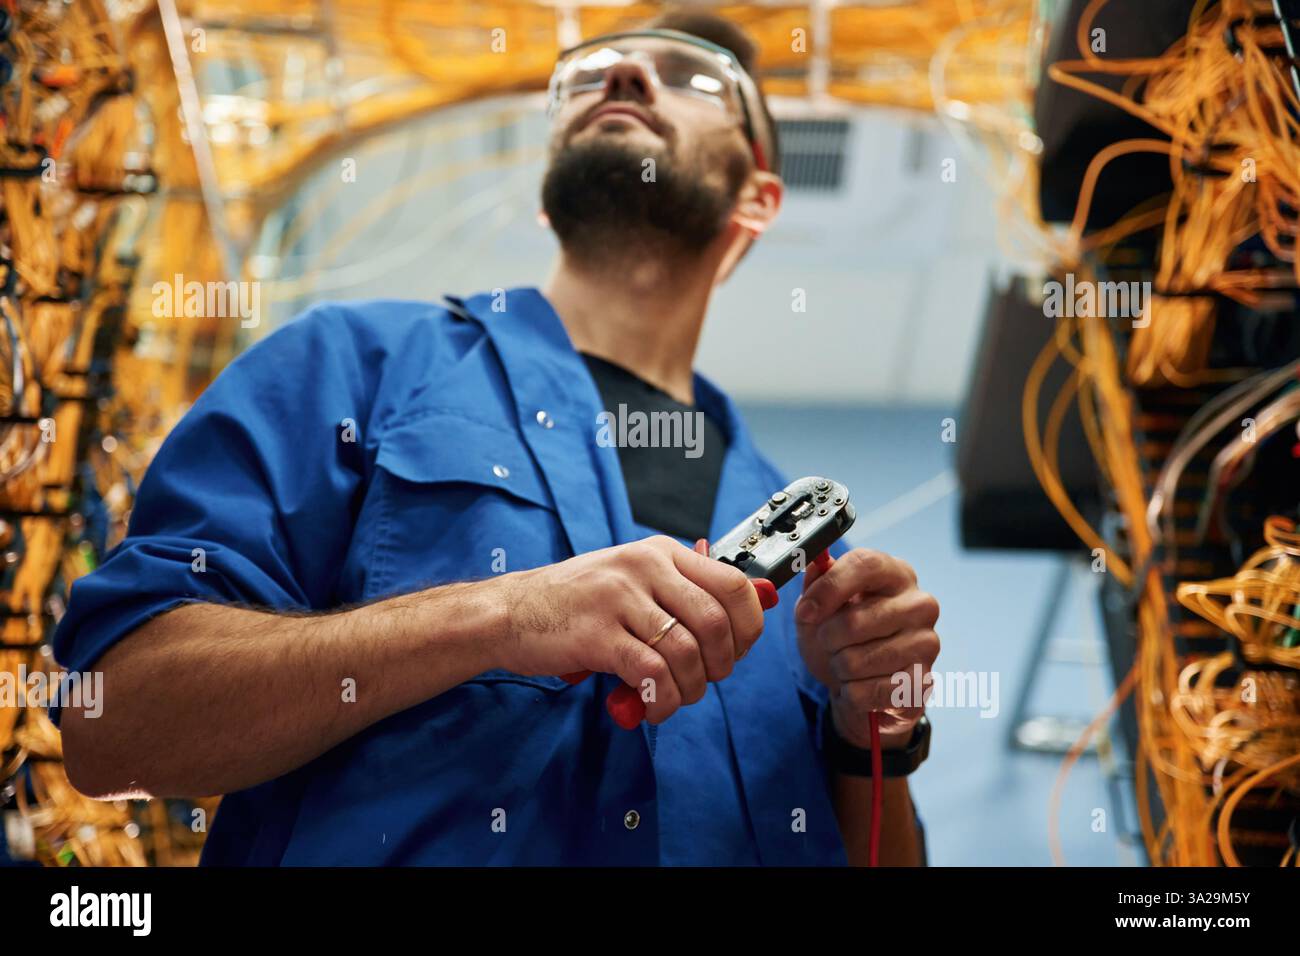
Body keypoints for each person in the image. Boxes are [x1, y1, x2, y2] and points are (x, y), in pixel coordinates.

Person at [54, 9, 940, 866]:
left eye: (693, 79)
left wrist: (877, 737)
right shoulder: (355, 365)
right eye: (590, 76)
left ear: (758, 198)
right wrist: (503, 615)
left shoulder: (816, 572)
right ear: (552, 180)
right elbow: (113, 726)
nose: (626, 75)